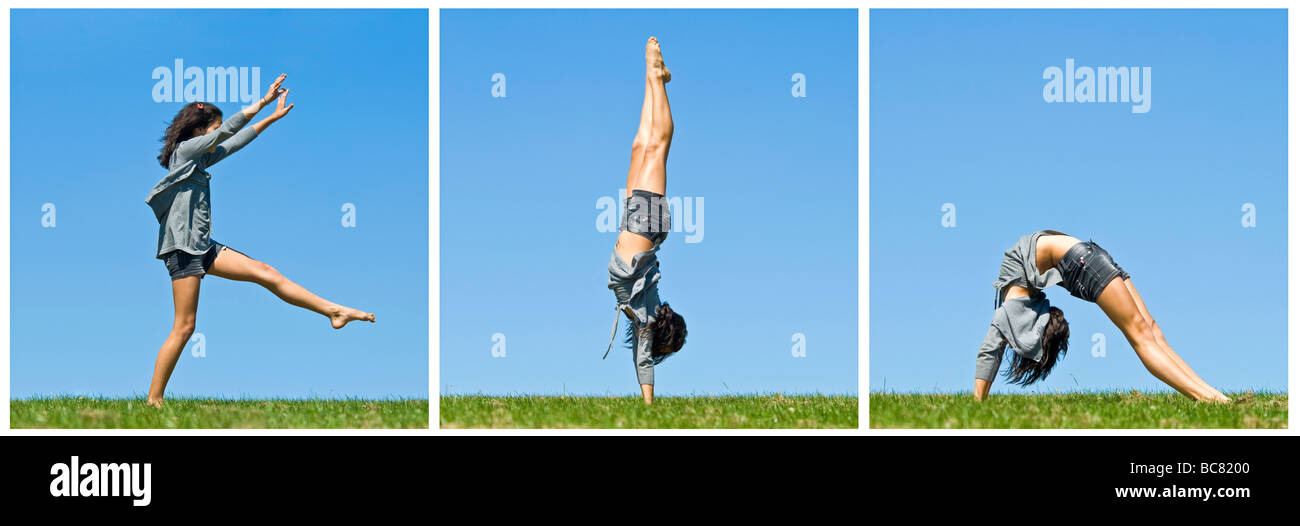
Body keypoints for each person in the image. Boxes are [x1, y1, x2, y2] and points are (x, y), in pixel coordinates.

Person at [145, 73, 374, 408]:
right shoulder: (184, 152)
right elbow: (226, 133)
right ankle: (154, 400)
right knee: (185, 326)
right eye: (213, 127)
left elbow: (233, 142)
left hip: (204, 246)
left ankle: (332, 311)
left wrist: (271, 118)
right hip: (182, 248)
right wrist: (262, 102)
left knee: (266, 272)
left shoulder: (200, 158)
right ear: (198, 129)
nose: (217, 133)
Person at [974, 230, 1229, 402]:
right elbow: (992, 351)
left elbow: (989, 351)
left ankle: (1209, 398)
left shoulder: (1007, 311)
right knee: (1148, 329)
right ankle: (1215, 398)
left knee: (1142, 334)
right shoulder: (1015, 285)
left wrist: (978, 403)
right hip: (1089, 254)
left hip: (1082, 261)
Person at [603, 37, 688, 405]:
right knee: (659, 145)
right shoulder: (647, 318)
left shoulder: (643, 319)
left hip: (633, 223)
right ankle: (657, 76)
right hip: (645, 226)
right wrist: (649, 402)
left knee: (640, 144)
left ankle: (651, 77)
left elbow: (642, 357)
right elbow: (645, 361)